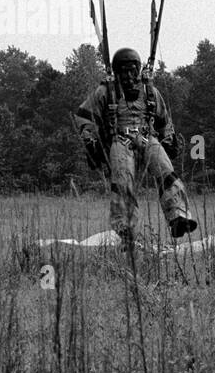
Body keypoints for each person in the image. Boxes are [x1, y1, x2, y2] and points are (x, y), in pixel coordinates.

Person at [75, 47, 198, 243]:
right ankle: (125, 226)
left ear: (138, 70)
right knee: (123, 179)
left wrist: (169, 138)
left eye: (132, 70)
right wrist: (91, 142)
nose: (129, 76)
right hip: (119, 140)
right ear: (117, 72)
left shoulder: (150, 92)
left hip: (147, 137)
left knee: (166, 170)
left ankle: (178, 216)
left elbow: (164, 120)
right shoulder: (106, 91)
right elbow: (84, 116)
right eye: (124, 71)